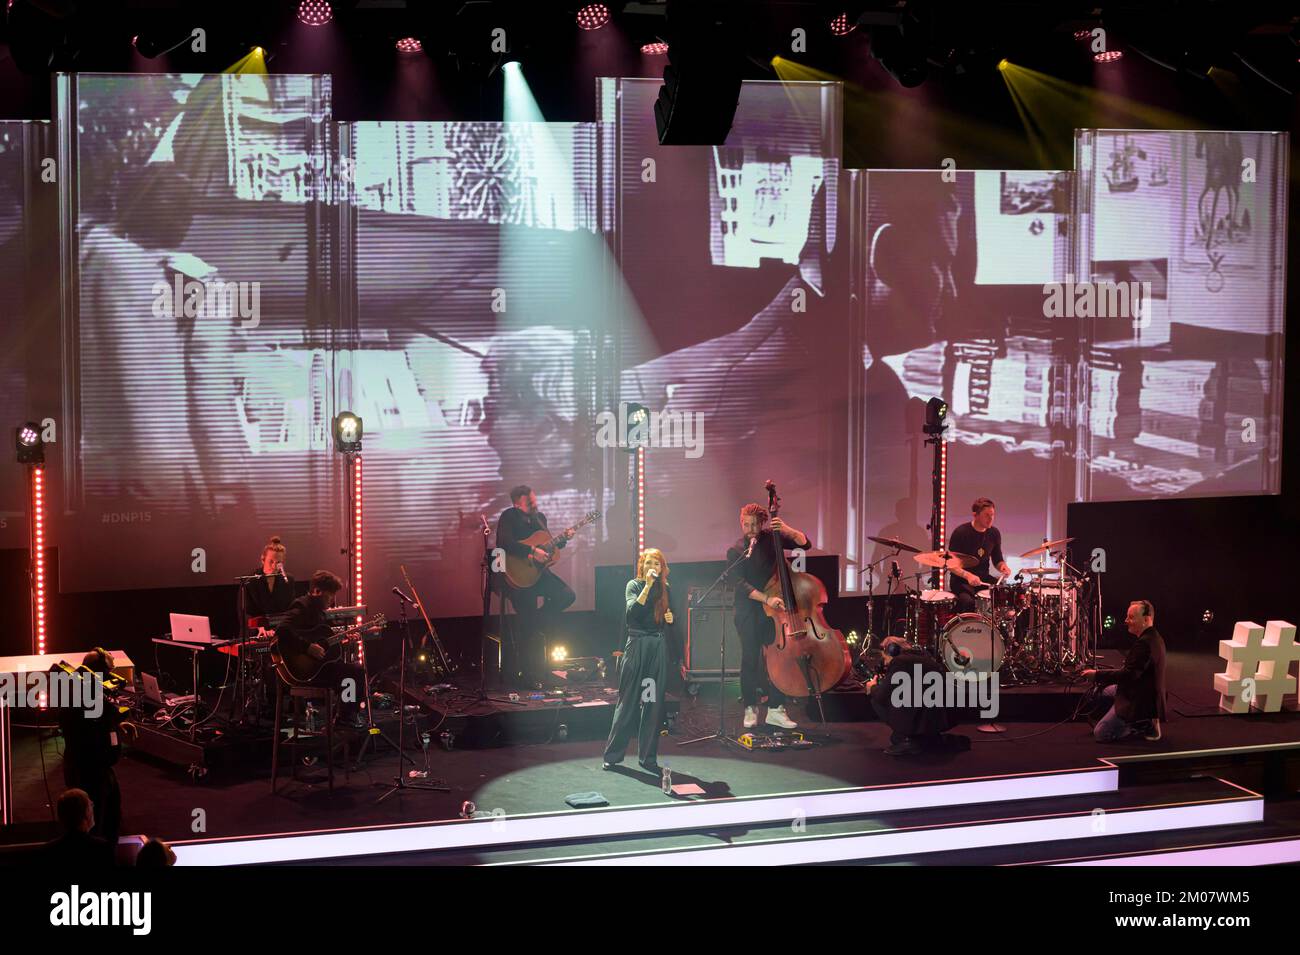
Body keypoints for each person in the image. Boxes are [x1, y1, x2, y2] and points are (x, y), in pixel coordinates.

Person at [726, 503, 812, 730]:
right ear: (740, 522)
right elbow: (740, 584)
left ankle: (776, 709)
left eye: (755, 524)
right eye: (746, 524)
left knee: (778, 659)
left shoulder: (773, 538)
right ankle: (750, 707)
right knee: (750, 658)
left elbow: (805, 544)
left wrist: (787, 529)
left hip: (775, 610)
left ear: (762, 523)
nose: (751, 528)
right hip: (749, 608)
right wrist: (766, 599)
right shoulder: (736, 550)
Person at [603, 548, 677, 774]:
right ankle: (613, 756)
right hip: (636, 647)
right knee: (628, 702)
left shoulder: (665, 590)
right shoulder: (633, 586)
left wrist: (670, 619)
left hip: (656, 648)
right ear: (642, 567)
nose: (651, 566)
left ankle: (648, 757)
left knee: (652, 703)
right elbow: (632, 614)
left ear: (662, 568)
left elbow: (669, 620)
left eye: (656, 563)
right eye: (647, 563)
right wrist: (647, 585)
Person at [495, 484, 576, 685]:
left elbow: (548, 547)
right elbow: (503, 543)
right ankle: (528, 675)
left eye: (534, 499)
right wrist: (531, 551)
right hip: (518, 577)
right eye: (529, 502)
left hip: (540, 574)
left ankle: (539, 621)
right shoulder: (508, 517)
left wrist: (563, 540)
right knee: (527, 626)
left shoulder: (540, 518)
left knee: (567, 595)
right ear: (517, 504)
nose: (534, 504)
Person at [273, 571, 368, 728]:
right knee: (354, 673)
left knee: (351, 673)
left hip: (317, 667)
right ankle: (344, 718)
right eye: (329, 596)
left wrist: (344, 641)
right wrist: (307, 647)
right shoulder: (302, 606)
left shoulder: (319, 612)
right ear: (317, 591)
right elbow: (282, 631)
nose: (331, 601)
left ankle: (343, 716)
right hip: (303, 672)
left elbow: (323, 643)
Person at [57, 650, 123, 849]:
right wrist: (112, 719)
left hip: (95, 767)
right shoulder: (81, 694)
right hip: (89, 770)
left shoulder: (83, 688)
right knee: (95, 826)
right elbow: (87, 727)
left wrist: (116, 725)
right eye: (108, 671)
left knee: (111, 817)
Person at [1083, 599, 1167, 742]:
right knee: (1104, 691)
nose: (1126, 620)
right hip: (1141, 690)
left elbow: (1128, 675)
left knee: (1101, 733)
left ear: (1146, 619)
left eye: (1131, 617)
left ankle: (1139, 724)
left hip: (1140, 698)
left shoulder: (1144, 644)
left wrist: (1096, 675)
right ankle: (1136, 720)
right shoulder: (1153, 637)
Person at [864, 637, 964, 756]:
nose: (885, 663)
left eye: (885, 658)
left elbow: (881, 695)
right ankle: (925, 737)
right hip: (938, 719)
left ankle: (908, 739)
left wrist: (872, 687)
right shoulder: (927, 658)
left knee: (876, 698)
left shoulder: (900, 661)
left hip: (920, 717)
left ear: (892, 650)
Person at [947, 497, 1012, 614]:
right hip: (961, 581)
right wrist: (968, 576)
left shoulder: (994, 533)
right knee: (969, 603)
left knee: (1005, 594)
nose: (991, 518)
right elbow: (950, 565)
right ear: (975, 515)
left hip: (983, 579)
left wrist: (1003, 567)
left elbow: (997, 559)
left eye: (992, 515)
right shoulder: (961, 533)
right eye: (987, 515)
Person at [38, 789, 114, 868]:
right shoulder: (102, 849)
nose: (93, 807)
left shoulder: (47, 850)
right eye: (91, 805)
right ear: (86, 813)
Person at [244, 535, 296, 627]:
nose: (274, 566)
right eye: (271, 561)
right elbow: (246, 613)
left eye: (278, 562)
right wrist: (259, 627)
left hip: (279, 628)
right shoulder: (250, 581)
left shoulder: (288, 580)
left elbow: (290, 610)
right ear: (263, 560)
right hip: (258, 630)